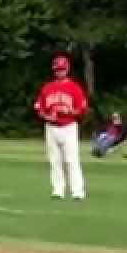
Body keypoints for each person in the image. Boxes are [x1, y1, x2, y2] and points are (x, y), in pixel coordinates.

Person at [34, 54, 88, 200]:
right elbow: (39, 108)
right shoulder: (47, 88)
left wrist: (69, 111)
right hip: (51, 127)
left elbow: (82, 109)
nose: (59, 72)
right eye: (57, 69)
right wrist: (46, 116)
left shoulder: (74, 88)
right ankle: (58, 189)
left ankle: (77, 191)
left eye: (62, 69)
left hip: (68, 126)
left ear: (67, 69)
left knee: (71, 160)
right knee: (54, 160)